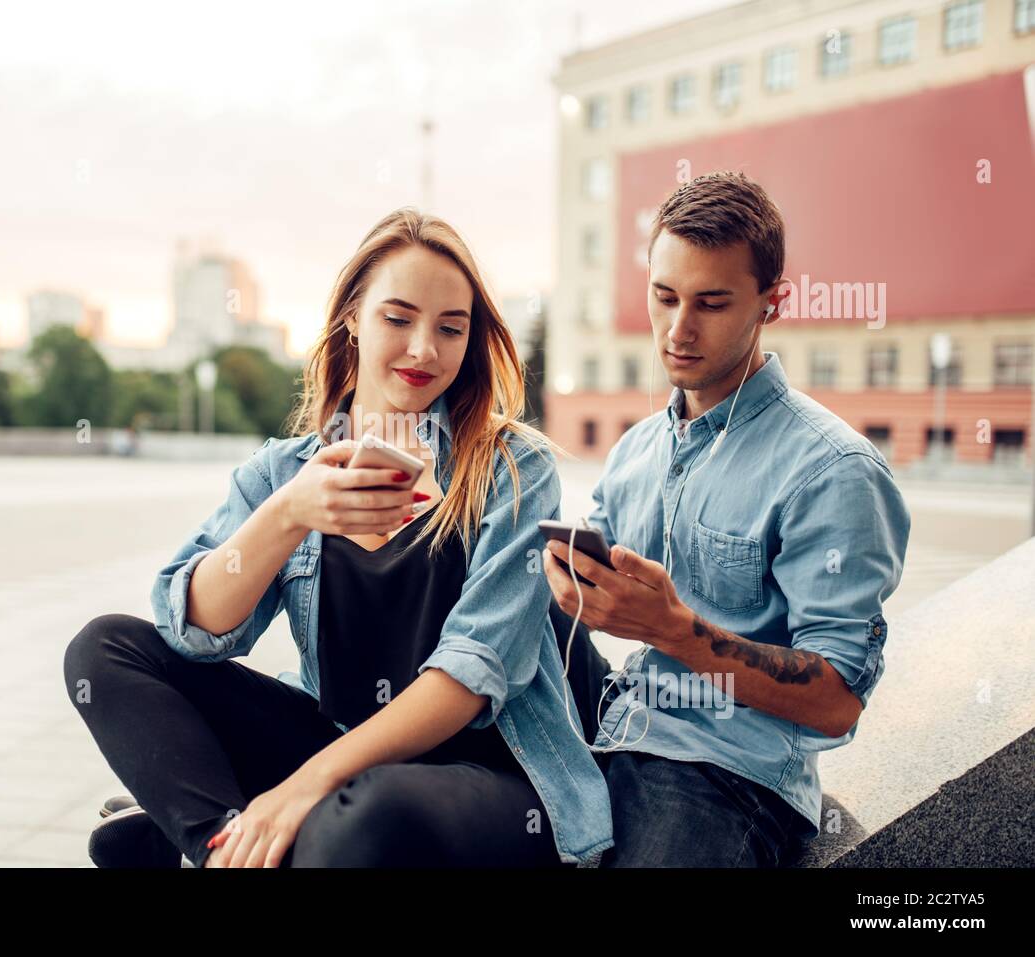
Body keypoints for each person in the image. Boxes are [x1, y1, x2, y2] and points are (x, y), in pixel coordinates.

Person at [64, 208, 616, 868]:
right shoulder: (284, 472)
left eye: (451, 327)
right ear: (353, 314)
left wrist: (302, 785)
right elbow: (194, 628)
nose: (423, 349)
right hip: (340, 750)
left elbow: (473, 675)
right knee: (105, 648)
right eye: (398, 317)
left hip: (491, 777)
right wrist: (289, 513)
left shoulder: (511, 469)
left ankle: (195, 825)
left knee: (359, 818)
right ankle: (219, 843)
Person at [544, 171, 911, 867]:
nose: (678, 330)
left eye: (711, 303)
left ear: (774, 302)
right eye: (664, 297)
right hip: (618, 725)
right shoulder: (638, 448)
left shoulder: (833, 468)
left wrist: (672, 629)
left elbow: (836, 699)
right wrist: (569, 579)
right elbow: (596, 582)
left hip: (728, 775)